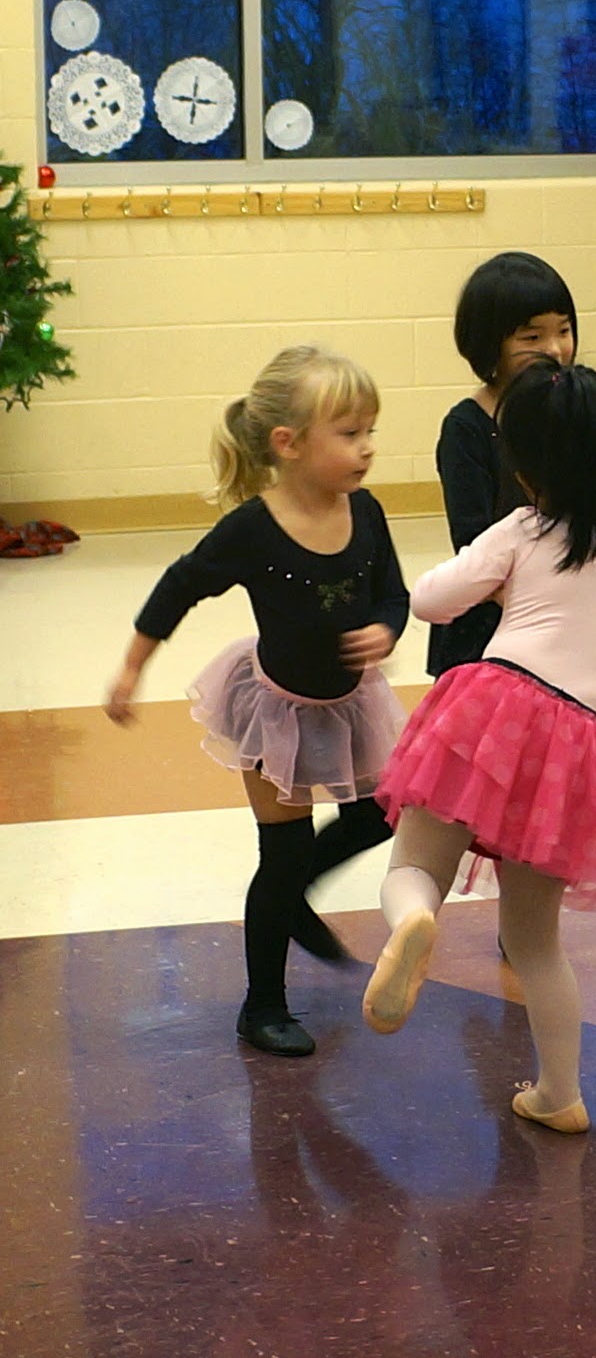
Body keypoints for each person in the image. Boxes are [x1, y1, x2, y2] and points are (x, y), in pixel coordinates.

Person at [362, 359, 596, 1135]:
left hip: (493, 707)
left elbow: (430, 598)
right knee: (538, 942)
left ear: (523, 466)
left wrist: (506, 576)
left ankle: (414, 922)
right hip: (579, 743)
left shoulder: (523, 529)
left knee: (414, 864)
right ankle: (559, 1094)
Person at [105, 346, 409, 1058]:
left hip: (353, 702)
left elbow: (392, 590)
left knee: (383, 811)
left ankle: (298, 892)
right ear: (288, 444)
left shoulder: (365, 512)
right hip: (274, 708)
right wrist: (130, 670)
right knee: (282, 851)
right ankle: (263, 1006)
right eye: (350, 433)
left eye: (370, 431)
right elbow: (178, 587)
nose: (366, 449)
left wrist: (385, 627)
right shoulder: (252, 529)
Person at [427, 252, 577, 678]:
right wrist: (533, 597)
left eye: (563, 331)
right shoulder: (466, 428)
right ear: (489, 343)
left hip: (558, 616)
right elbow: (471, 539)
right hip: (489, 627)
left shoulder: (576, 412)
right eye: (531, 338)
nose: (553, 349)